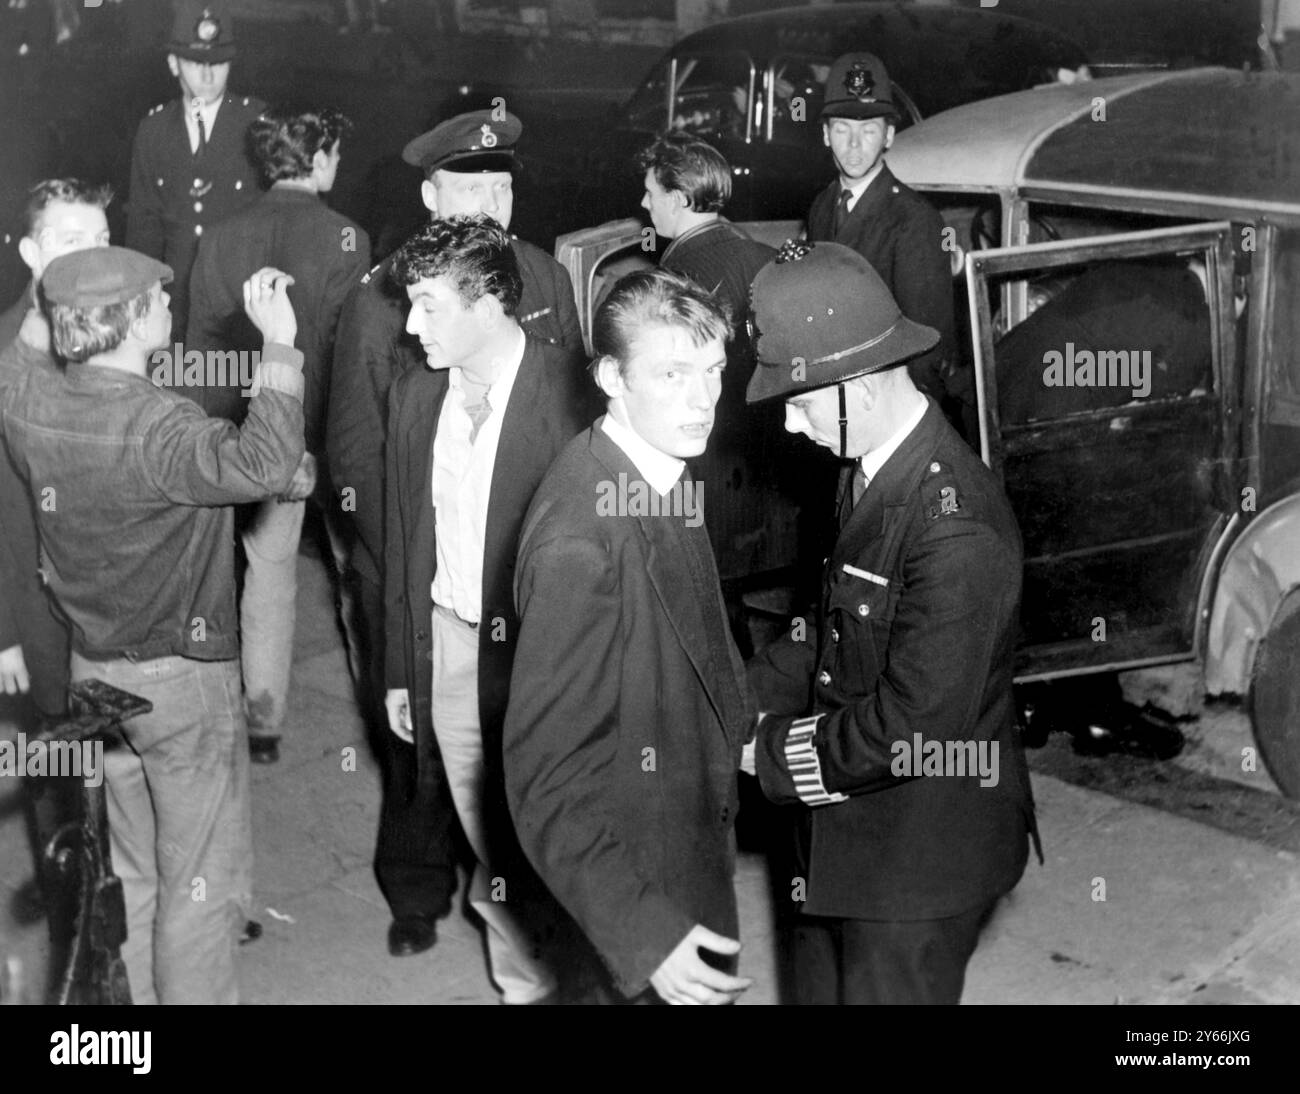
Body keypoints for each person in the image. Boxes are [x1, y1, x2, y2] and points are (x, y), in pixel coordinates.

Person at [0, 246, 306, 1003]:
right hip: (179, 683)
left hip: (92, 676)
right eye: (159, 300)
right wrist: (280, 343)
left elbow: (17, 352)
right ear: (134, 320)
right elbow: (267, 464)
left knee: (134, 867)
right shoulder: (162, 427)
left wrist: (47, 283)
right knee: (199, 885)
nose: (170, 307)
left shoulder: (28, 403)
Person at [743, 240, 1037, 1005]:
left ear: (862, 385)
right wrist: (727, 697)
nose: (795, 429)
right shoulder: (866, 469)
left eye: (801, 404)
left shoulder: (956, 525)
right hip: (843, 827)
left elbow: (914, 725)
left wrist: (763, 753)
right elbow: (825, 630)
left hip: (917, 860)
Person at [326, 107, 583, 959]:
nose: (487, 204)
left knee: (520, 767)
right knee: (415, 755)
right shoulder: (385, 299)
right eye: (467, 188)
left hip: (517, 577)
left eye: (499, 188)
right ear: (431, 195)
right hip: (409, 560)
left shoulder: (544, 280)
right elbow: (357, 453)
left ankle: (522, 919)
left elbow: (568, 427)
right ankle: (414, 891)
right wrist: (407, 565)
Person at [504, 268, 756, 1005]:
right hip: (635, 890)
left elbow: (690, 646)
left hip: (683, 844)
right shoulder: (580, 541)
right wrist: (645, 933)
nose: (704, 400)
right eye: (673, 374)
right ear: (612, 376)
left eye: (713, 371)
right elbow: (547, 782)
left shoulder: (655, 468)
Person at [383, 215, 588, 1003]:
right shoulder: (414, 396)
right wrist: (406, 668)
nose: (410, 325)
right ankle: (523, 987)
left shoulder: (572, 398)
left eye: (429, 305)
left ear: (491, 302)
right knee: (489, 845)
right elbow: (407, 546)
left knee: (557, 845)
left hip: (546, 665)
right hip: (450, 648)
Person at [186, 104, 371, 764]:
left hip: (229, 431)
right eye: (336, 155)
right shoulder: (346, 236)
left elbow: (201, 345)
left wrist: (211, 438)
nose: (338, 166)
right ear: (318, 161)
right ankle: (303, 716)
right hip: (306, 433)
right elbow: (339, 356)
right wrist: (312, 448)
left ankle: (235, 718)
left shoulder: (220, 234)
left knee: (240, 574)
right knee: (314, 571)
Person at [0, 179, 111, 922]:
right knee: (59, 757)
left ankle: (143, 891)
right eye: (72, 240)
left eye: (101, 238)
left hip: (120, 601)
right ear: (33, 252)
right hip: (36, 607)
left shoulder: (122, 335)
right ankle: (67, 896)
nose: (92, 255)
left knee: (125, 755)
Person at [806, 52, 963, 429]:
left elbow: (929, 348)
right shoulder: (822, 206)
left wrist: (893, 424)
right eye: (843, 129)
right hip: (830, 401)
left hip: (884, 414)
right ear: (826, 134)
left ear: (889, 135)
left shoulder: (915, 220)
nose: (855, 145)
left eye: (870, 130)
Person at [125, 0, 264, 342]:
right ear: (173, 64)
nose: (207, 74)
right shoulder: (154, 129)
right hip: (175, 311)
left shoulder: (258, 124)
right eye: (195, 62)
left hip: (240, 311)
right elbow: (143, 229)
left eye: (217, 62)